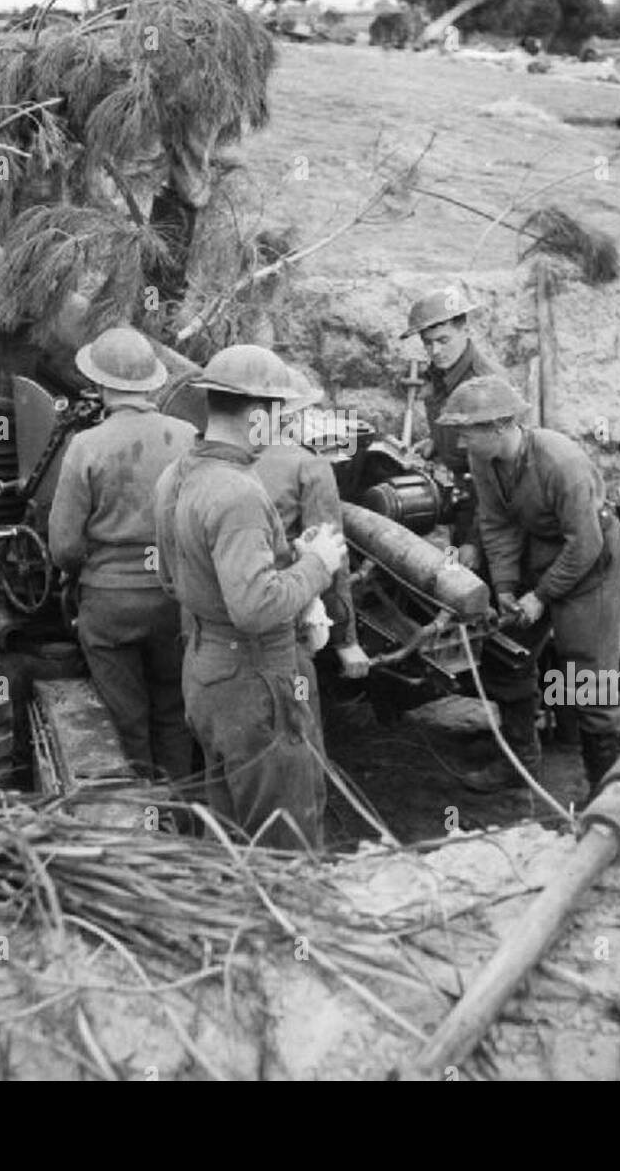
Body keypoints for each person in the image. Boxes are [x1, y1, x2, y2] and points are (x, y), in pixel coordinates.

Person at [155, 345, 347, 850]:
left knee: (234, 828)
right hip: (257, 681)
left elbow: (175, 580)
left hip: (205, 672)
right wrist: (316, 566)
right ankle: (288, 928)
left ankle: (240, 922)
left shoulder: (174, 476)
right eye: (281, 416)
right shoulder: (237, 491)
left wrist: (289, 572)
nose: (284, 430)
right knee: (285, 839)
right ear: (260, 414)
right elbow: (255, 606)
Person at [436, 374, 620, 800]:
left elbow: (585, 544)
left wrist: (540, 597)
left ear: (501, 426)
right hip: (539, 548)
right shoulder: (484, 462)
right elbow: (496, 523)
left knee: (589, 673)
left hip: (593, 557)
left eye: (468, 433)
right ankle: (519, 762)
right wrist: (505, 586)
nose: (463, 443)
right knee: (508, 649)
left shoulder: (561, 462)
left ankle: (607, 791)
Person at [48, 326, 197, 786]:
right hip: (176, 599)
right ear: (153, 383)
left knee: (125, 720)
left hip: (110, 604)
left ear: (100, 384)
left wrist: (84, 575)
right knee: (173, 710)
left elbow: (64, 546)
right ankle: (181, 816)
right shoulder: (189, 436)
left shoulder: (86, 446)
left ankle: (140, 819)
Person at [254, 367, 371, 697]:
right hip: (284, 616)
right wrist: (345, 640)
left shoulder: (219, 458)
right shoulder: (309, 465)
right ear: (295, 416)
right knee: (298, 716)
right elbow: (331, 555)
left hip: (226, 619)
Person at [400, 285, 502, 567]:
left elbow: (500, 480)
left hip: (488, 510)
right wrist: (437, 442)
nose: (435, 350)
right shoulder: (441, 371)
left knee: (482, 591)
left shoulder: (484, 388)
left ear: (464, 330)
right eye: (428, 342)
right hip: (458, 496)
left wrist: (474, 542)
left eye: (443, 340)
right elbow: (451, 423)